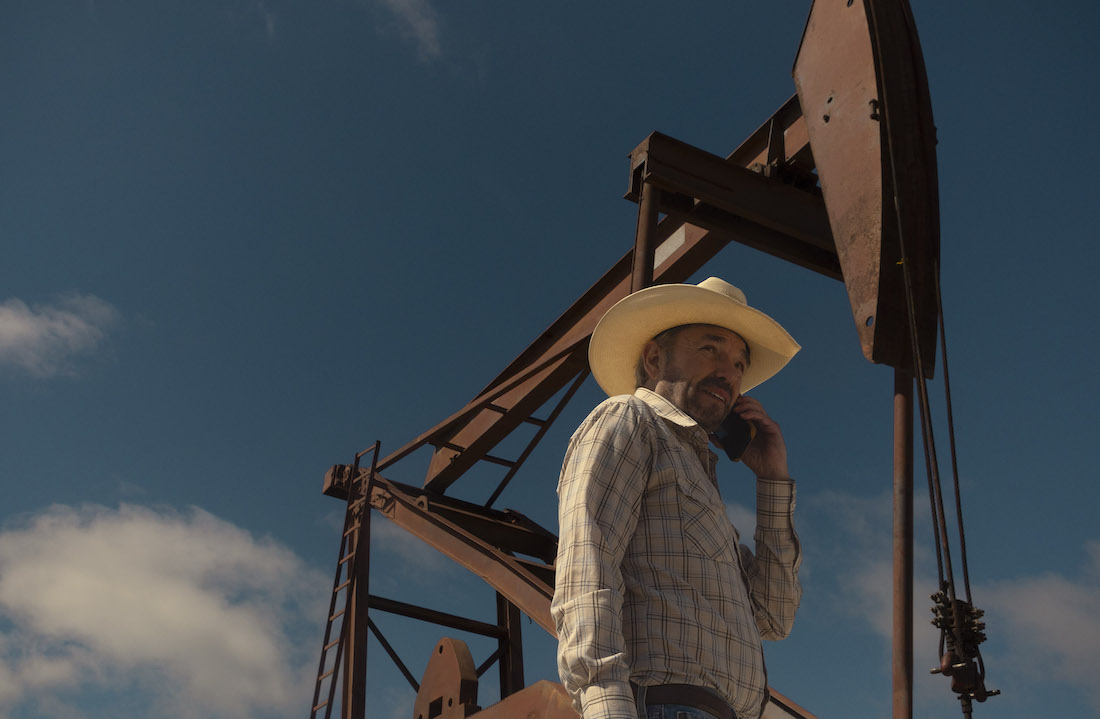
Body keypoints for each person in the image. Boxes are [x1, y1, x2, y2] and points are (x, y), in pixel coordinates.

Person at [550, 277, 803, 719]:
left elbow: (774, 616)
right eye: (711, 349)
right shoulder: (629, 419)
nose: (729, 372)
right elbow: (587, 568)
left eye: (740, 364)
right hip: (665, 706)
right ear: (653, 358)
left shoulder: (703, 482)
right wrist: (606, 707)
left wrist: (773, 480)